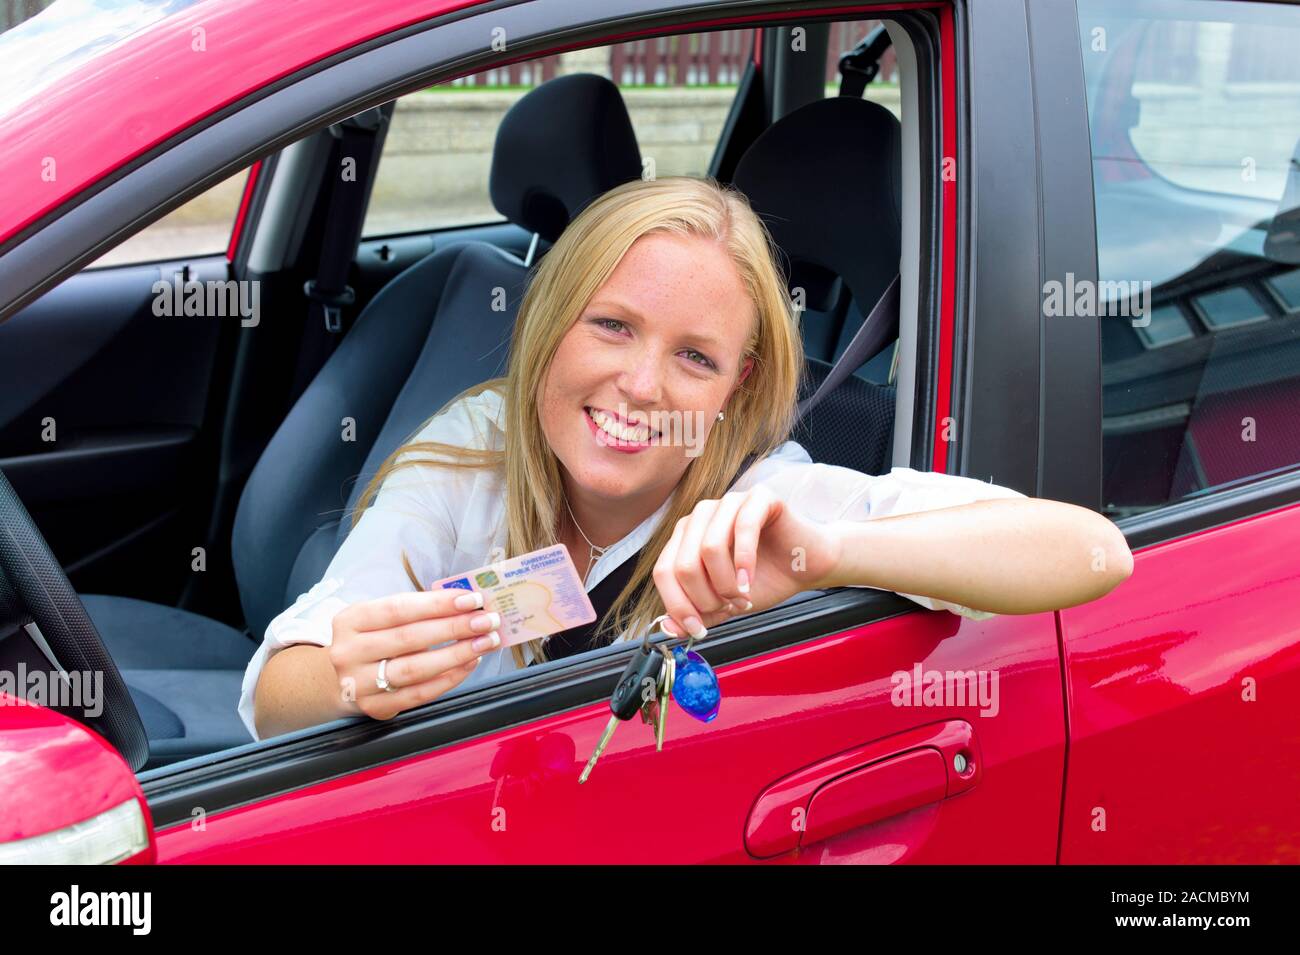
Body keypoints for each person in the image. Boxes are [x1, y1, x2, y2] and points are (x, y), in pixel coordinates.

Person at [241, 176, 1132, 741]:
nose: (640, 386)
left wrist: (833, 555)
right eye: (612, 325)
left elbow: (1091, 550)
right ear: (550, 323)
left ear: (736, 389)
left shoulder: (758, 497)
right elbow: (277, 692)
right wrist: (357, 675)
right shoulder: (477, 448)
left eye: (695, 358)